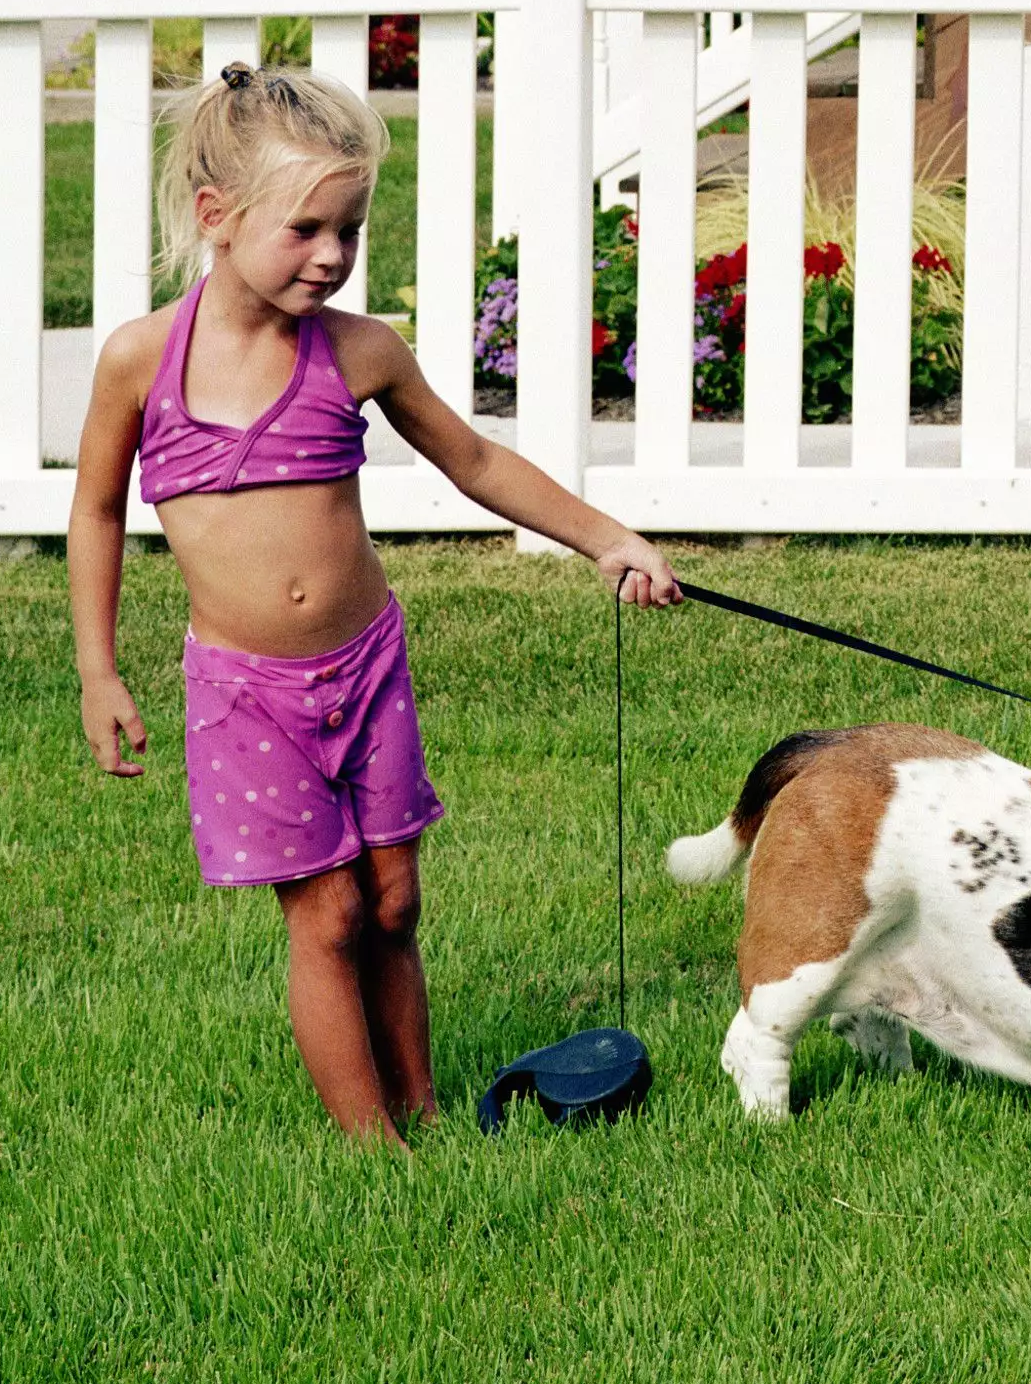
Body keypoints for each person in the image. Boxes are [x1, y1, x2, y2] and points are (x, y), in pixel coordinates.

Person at [69, 61, 680, 1138]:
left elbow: (476, 459)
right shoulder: (140, 361)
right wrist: (98, 667)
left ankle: (426, 1113)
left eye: (347, 228)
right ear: (217, 215)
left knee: (395, 901)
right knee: (330, 912)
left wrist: (605, 539)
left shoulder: (359, 351)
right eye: (305, 228)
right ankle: (374, 1151)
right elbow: (98, 512)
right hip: (245, 692)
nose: (333, 255)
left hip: (365, 666)